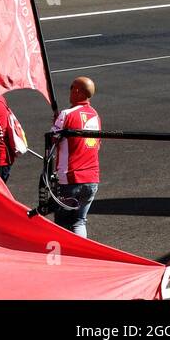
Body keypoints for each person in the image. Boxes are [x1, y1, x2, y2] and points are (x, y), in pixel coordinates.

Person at [50, 76, 101, 238]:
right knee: (79, 221)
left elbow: (52, 139)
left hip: (70, 178)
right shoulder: (95, 115)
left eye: (71, 87)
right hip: (92, 178)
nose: (69, 90)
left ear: (78, 91)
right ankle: (81, 256)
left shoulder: (66, 114)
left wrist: (57, 122)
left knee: (63, 224)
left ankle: (67, 258)